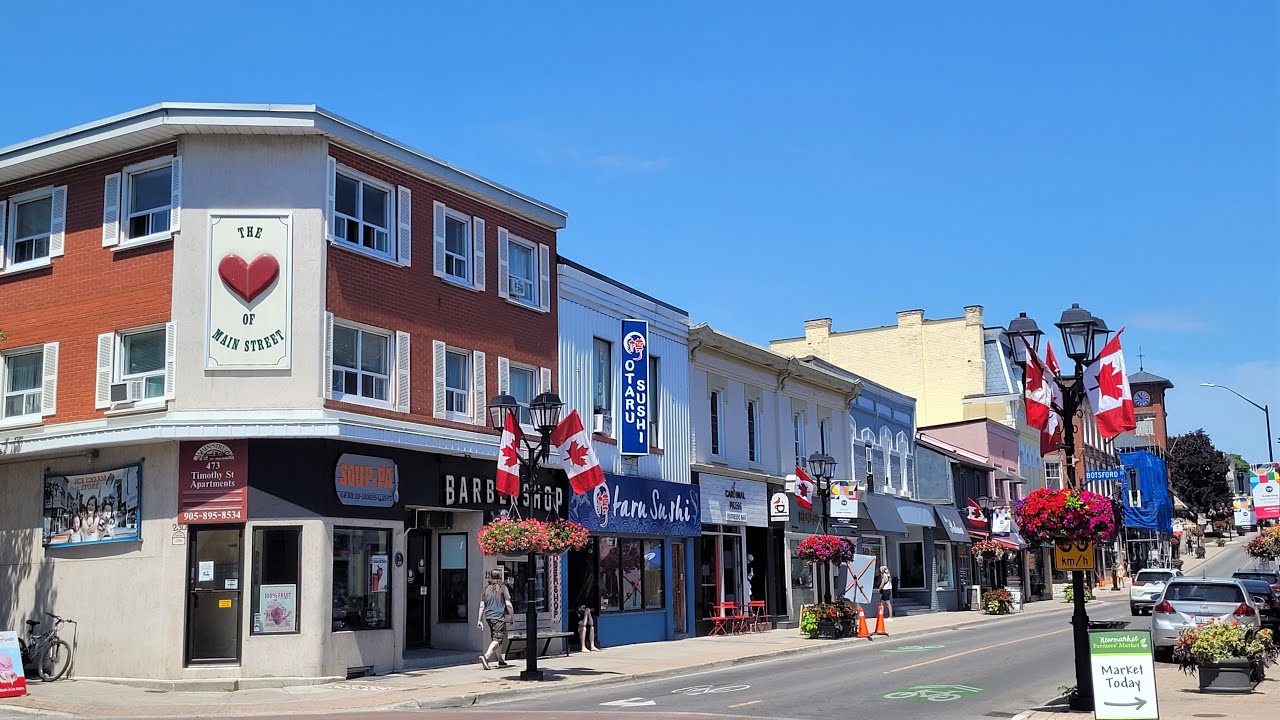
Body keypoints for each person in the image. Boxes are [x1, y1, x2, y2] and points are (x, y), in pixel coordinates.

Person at [477, 569, 514, 670]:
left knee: (497, 638)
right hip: (498, 618)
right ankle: (486, 657)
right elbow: (508, 604)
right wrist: (512, 616)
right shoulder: (503, 588)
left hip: (489, 617)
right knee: (498, 638)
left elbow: (481, 606)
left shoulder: (485, 589)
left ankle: (500, 660)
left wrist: (479, 620)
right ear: (499, 577)